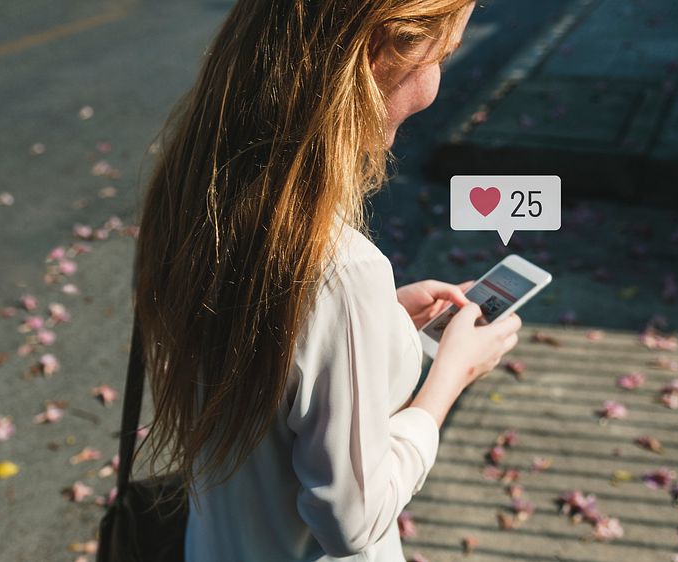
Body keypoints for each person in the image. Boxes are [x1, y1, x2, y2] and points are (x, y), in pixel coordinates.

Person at [132, 1, 523, 560]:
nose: (439, 78)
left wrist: (382, 322)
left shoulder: (192, 194)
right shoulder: (343, 270)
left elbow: (268, 360)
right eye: (445, 53)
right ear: (379, 53)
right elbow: (348, 520)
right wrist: (449, 380)